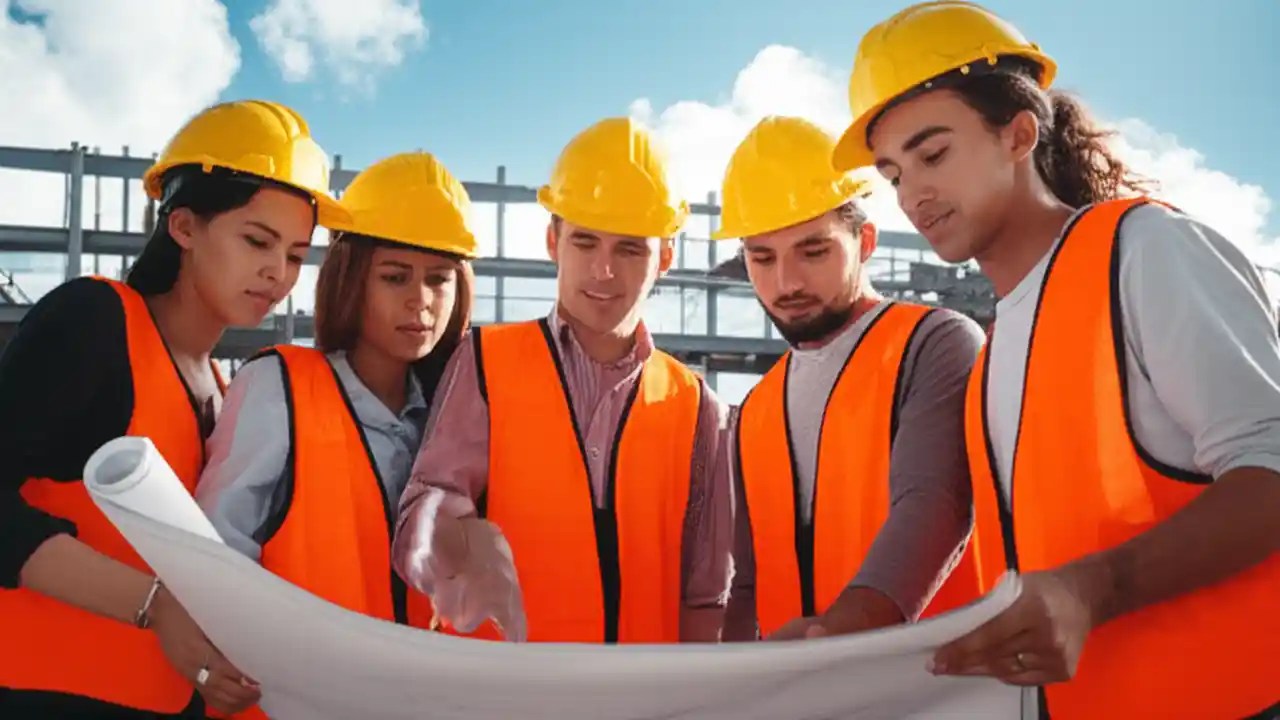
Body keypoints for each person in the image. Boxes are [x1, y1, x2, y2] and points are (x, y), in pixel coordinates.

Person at [833, 2, 1280, 718]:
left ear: (1018, 134)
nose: (912, 192)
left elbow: (1271, 469)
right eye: (892, 174)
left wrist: (1091, 589)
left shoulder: (1146, 251)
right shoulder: (997, 348)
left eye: (933, 153)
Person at [0, 99, 346, 719]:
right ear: (183, 227)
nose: (277, 273)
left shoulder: (220, 388)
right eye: (257, 240)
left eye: (295, 255)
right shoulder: (95, 320)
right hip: (38, 695)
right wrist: (156, 605)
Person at [391, 117, 735, 644]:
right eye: (585, 242)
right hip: (510, 698)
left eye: (630, 249)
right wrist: (451, 547)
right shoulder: (484, 361)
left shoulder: (695, 405)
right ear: (554, 241)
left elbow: (706, 589)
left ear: (665, 257)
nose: (603, 270)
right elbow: (426, 503)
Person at [711, 115, 984, 642]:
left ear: (864, 241)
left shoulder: (934, 344)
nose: (785, 282)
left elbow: (935, 503)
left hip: (935, 690)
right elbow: (747, 582)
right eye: (761, 258)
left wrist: (837, 644)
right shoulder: (755, 409)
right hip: (803, 693)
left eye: (814, 251)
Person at [197, 151, 476, 639]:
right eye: (395, 276)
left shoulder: (458, 414)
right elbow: (215, 555)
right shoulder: (277, 387)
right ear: (350, 279)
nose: (421, 299)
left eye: (439, 278)